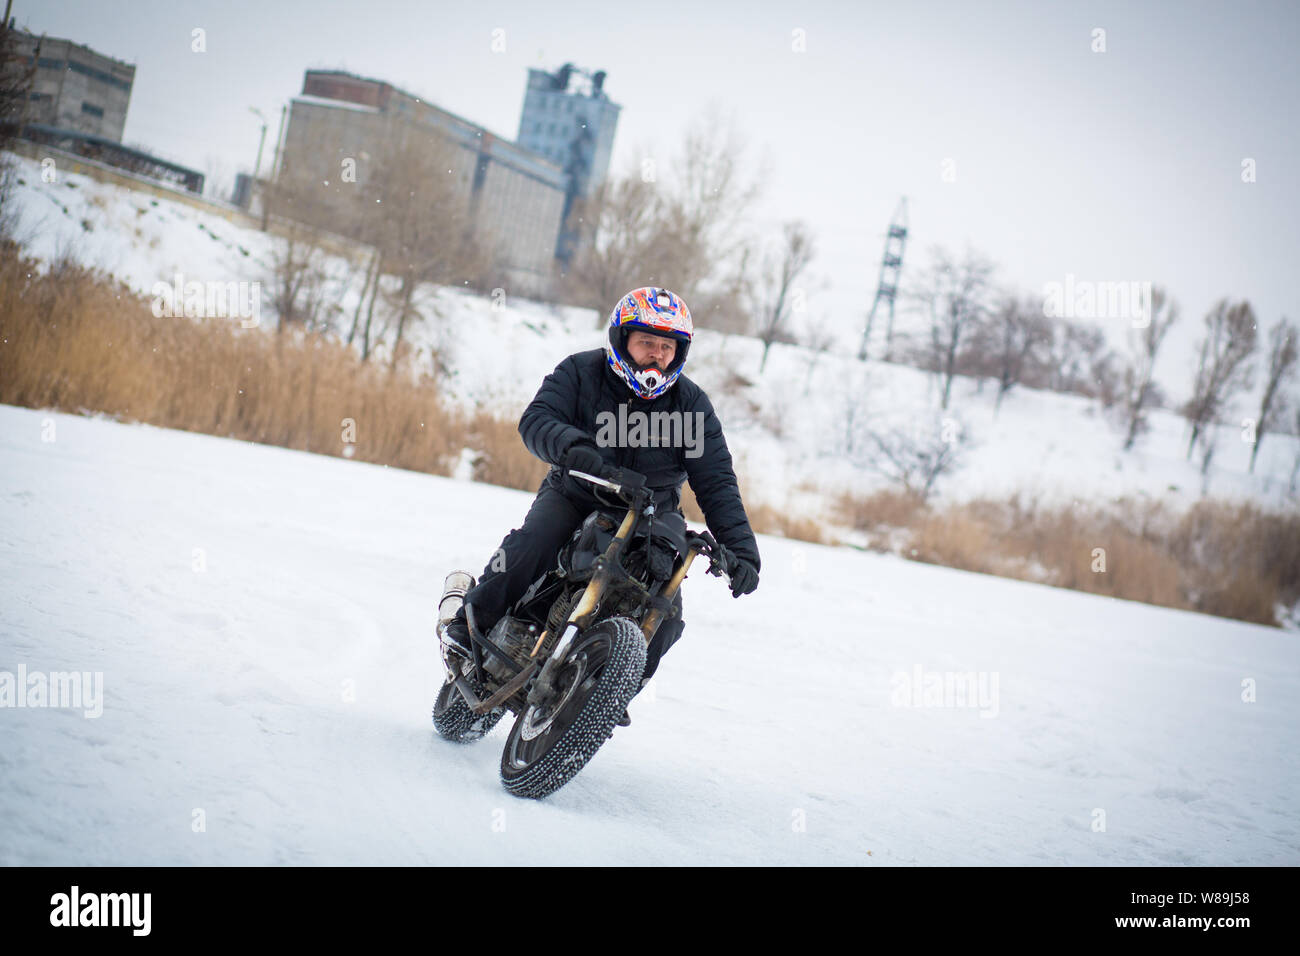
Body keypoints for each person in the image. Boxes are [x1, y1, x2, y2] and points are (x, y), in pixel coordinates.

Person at [443, 286, 760, 707]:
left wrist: (742, 551)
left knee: (666, 609)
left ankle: (604, 700)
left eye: (667, 346)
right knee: (532, 545)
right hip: (577, 491)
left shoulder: (692, 406)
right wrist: (578, 451)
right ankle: (468, 626)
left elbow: (717, 481)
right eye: (647, 341)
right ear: (621, 339)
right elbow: (536, 420)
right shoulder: (580, 372)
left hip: (652, 513)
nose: (656, 355)